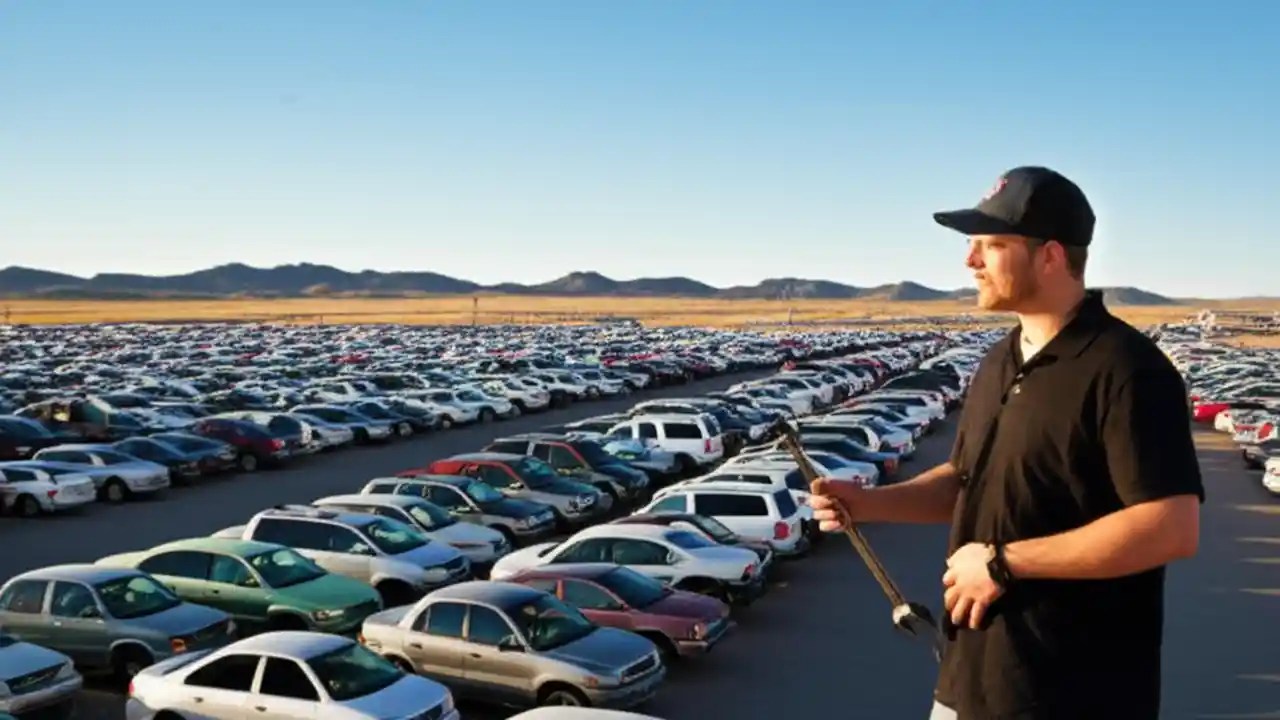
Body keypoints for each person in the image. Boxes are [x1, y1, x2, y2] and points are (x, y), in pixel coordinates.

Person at [810, 166, 1205, 720]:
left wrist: (1003, 564)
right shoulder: (1000, 360)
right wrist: (869, 503)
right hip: (970, 681)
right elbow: (966, 481)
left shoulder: (1128, 369)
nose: (969, 262)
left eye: (990, 245)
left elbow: (1170, 526)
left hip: (1074, 694)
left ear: (1050, 256)